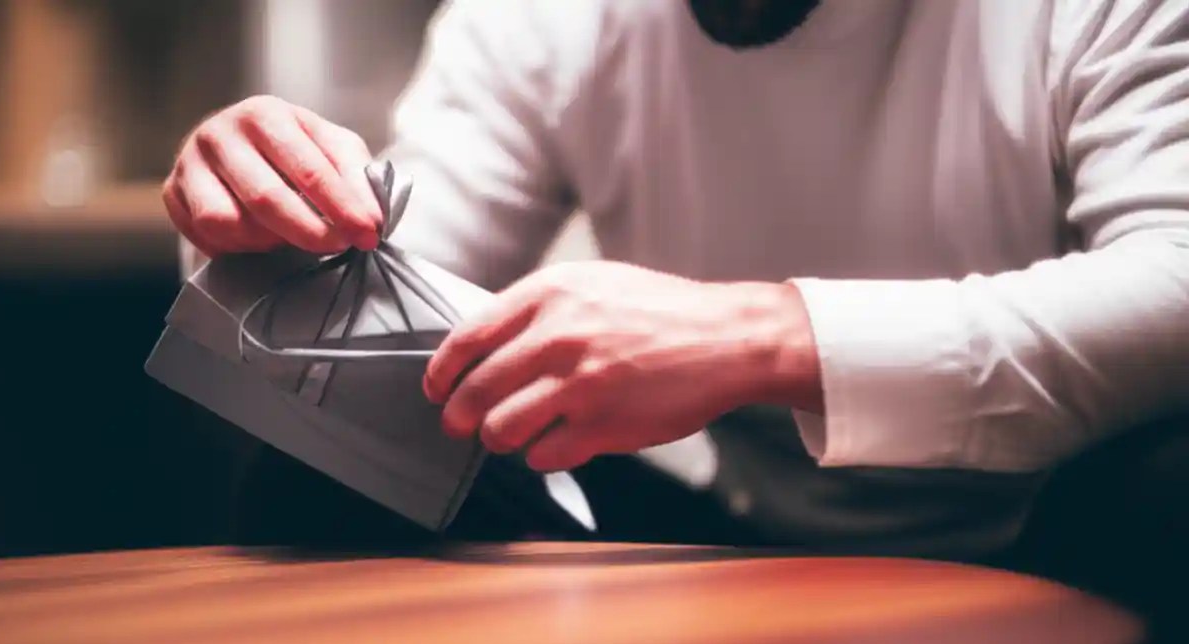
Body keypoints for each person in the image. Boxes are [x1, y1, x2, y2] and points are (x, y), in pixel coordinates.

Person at [162, 0, 1189, 559]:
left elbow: (1174, 280)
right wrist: (268, 226)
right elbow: (382, 297)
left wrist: (759, 336)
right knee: (321, 473)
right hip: (728, 527)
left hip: (1063, 520)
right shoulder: (542, 20)